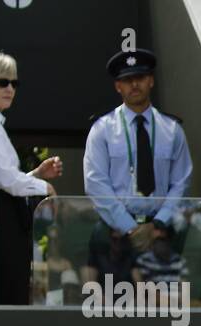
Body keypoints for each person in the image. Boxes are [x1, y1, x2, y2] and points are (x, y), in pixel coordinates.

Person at [83, 49, 193, 284]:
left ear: (151, 80)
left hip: (162, 232)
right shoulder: (102, 129)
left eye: (140, 77)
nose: (134, 84)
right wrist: (130, 228)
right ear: (117, 86)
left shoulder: (172, 130)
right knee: (113, 309)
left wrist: (158, 225)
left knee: (163, 311)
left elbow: (181, 183)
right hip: (115, 231)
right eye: (126, 80)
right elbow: (96, 184)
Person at [0, 53, 62, 305]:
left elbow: (0, 178)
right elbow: (5, 180)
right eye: (2, 82)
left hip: (1, 215)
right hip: (1, 221)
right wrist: (44, 186)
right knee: (8, 295)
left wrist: (36, 175)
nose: (10, 89)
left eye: (14, 83)